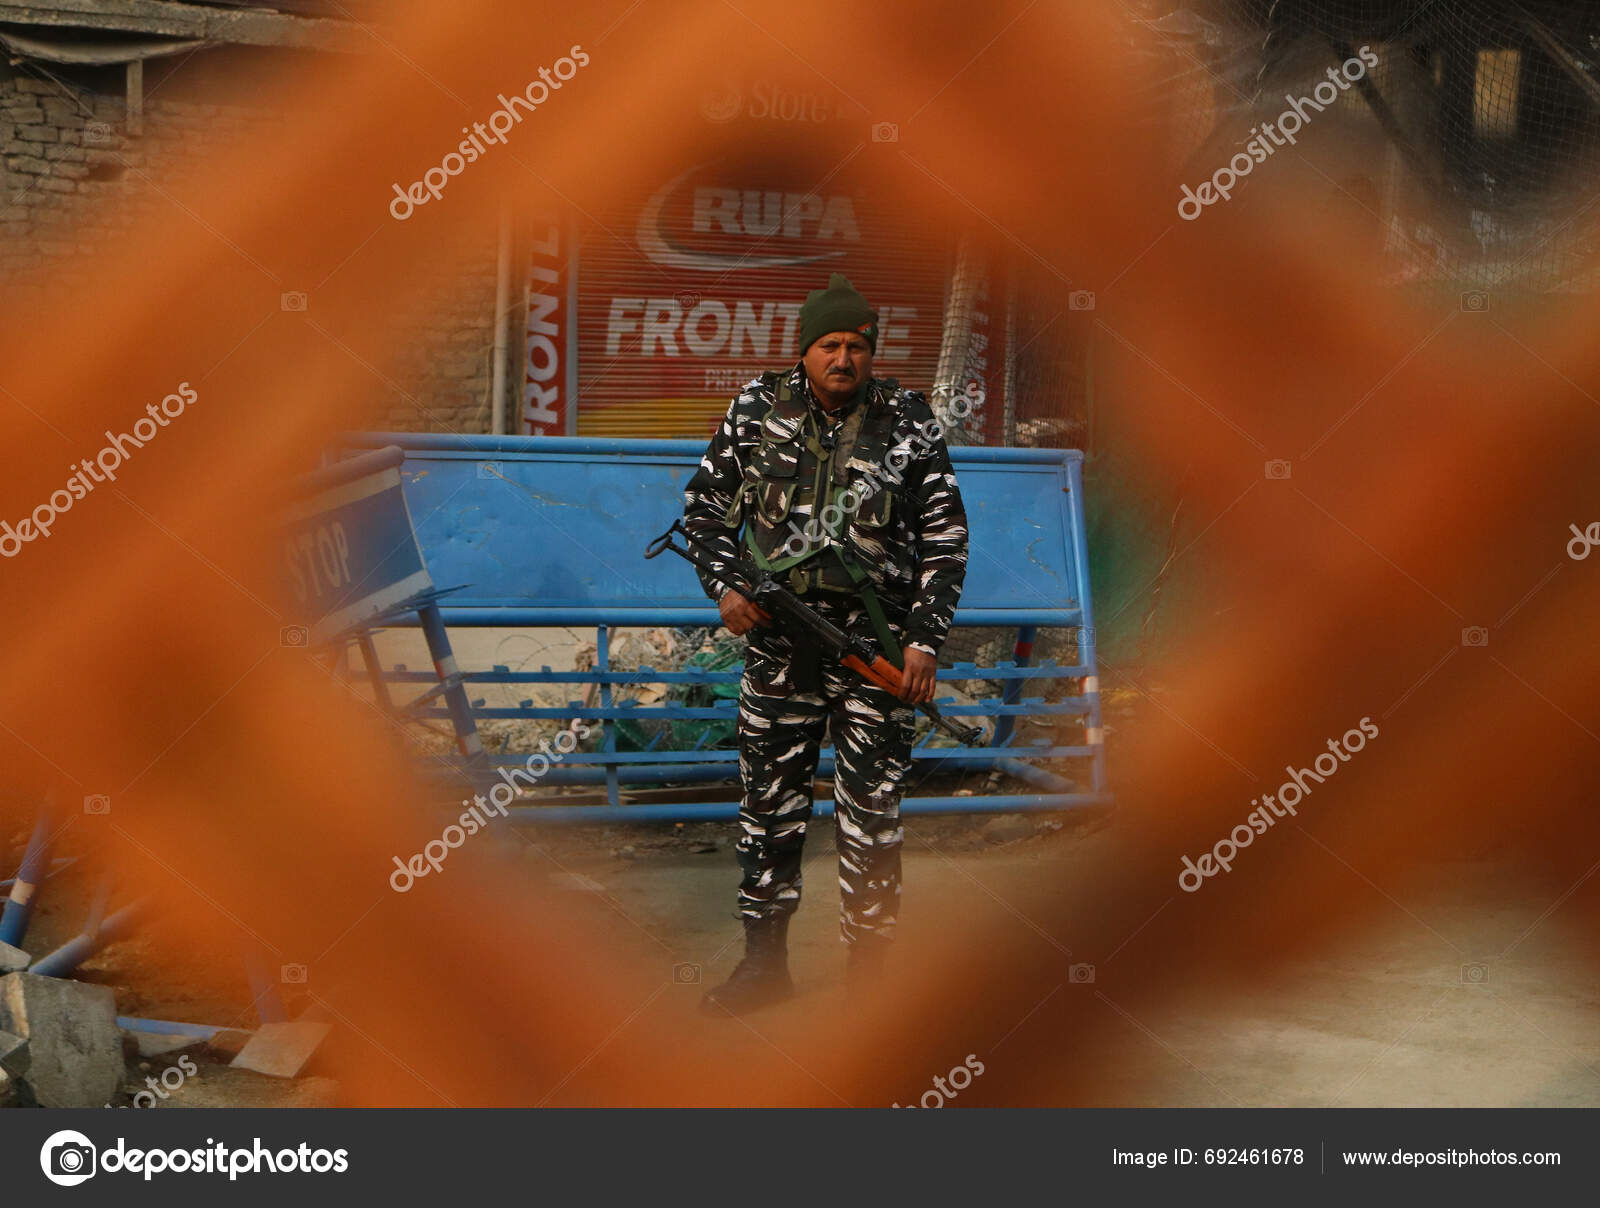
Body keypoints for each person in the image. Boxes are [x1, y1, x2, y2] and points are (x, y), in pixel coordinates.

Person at [681, 272, 968, 1014]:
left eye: (857, 345)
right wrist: (727, 589)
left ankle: (869, 986)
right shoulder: (755, 408)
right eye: (830, 344)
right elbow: (704, 510)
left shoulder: (909, 420)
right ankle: (763, 967)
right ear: (804, 350)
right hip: (779, 646)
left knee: (871, 819)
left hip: (874, 652)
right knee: (769, 809)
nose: (845, 357)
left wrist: (924, 643)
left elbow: (945, 537)